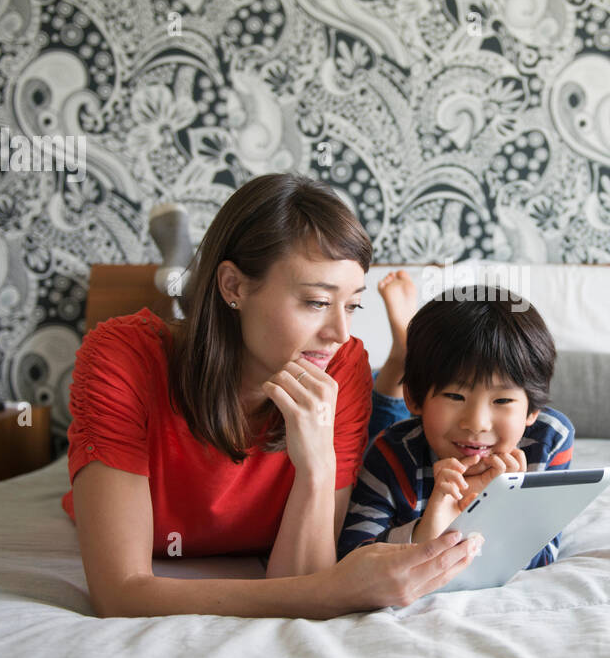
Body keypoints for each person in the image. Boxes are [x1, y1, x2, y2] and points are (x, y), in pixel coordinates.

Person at [63, 173, 480, 618]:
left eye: (353, 305)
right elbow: (119, 595)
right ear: (234, 286)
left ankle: (183, 273)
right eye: (317, 302)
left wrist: (318, 467)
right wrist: (340, 589)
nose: (340, 333)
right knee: (194, 325)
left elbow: (301, 584)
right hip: (191, 346)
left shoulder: (341, 364)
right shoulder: (120, 359)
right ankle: (179, 269)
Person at [337, 283, 574, 568]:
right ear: (414, 398)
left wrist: (506, 504)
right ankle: (400, 356)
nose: (476, 423)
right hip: (407, 432)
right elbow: (350, 560)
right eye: (455, 395)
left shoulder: (549, 439)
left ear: (533, 409)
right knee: (376, 426)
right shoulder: (390, 454)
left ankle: (406, 352)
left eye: (502, 400)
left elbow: (544, 557)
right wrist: (427, 532)